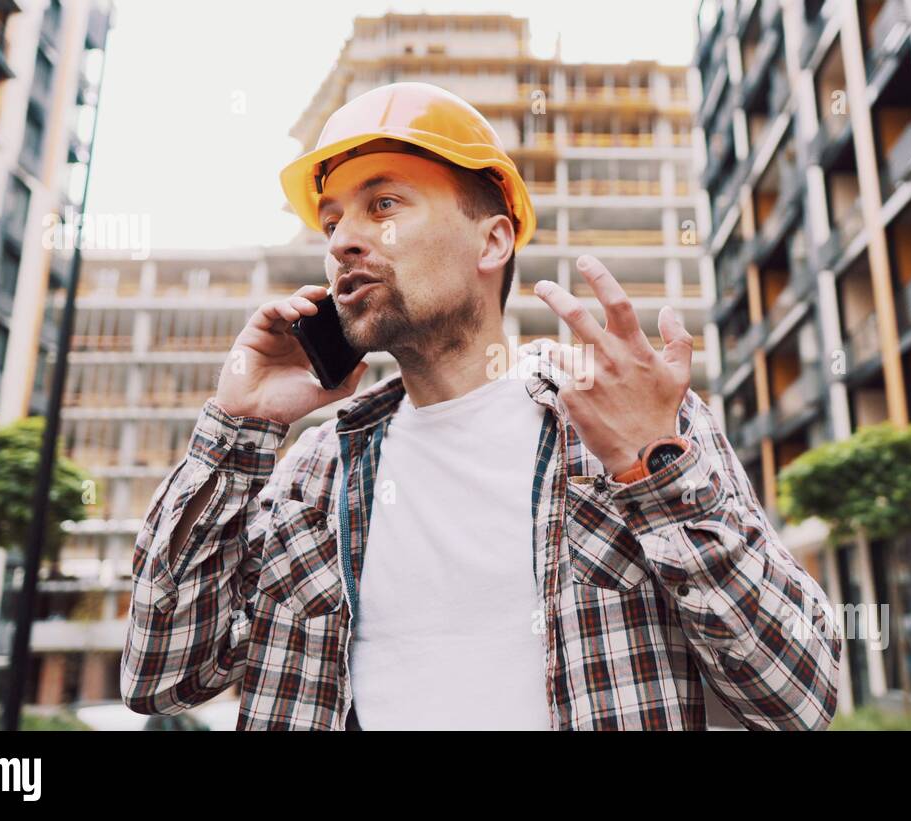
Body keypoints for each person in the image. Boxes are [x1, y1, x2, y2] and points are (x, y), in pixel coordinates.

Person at [121, 82, 840, 730]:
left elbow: (799, 696)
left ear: (493, 239)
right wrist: (237, 427)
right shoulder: (316, 471)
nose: (342, 240)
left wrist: (653, 470)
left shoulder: (622, 425)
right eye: (333, 221)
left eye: (384, 204)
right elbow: (162, 676)